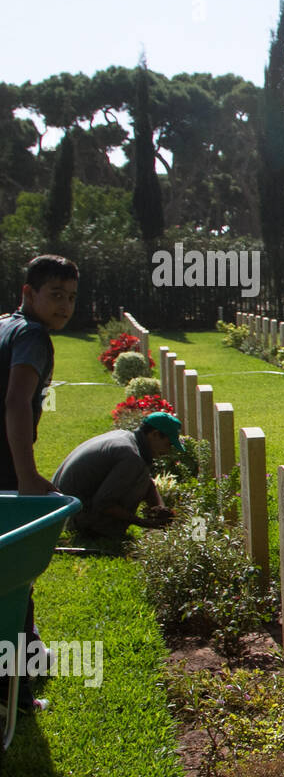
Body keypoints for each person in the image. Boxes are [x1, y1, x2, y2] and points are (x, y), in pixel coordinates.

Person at [1, 255, 78, 713]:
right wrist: (26, 477)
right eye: (55, 295)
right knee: (12, 581)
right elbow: (15, 402)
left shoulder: (6, 326)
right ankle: (15, 697)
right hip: (5, 472)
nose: (64, 306)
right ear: (28, 293)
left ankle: (27, 661)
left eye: (70, 297)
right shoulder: (32, 335)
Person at [52, 412, 183, 539]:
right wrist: (143, 522)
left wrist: (160, 509)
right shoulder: (131, 456)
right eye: (168, 444)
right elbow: (103, 503)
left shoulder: (126, 437)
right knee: (138, 472)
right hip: (72, 516)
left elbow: (147, 482)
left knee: (140, 474)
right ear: (154, 434)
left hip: (63, 508)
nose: (168, 451)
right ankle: (102, 530)